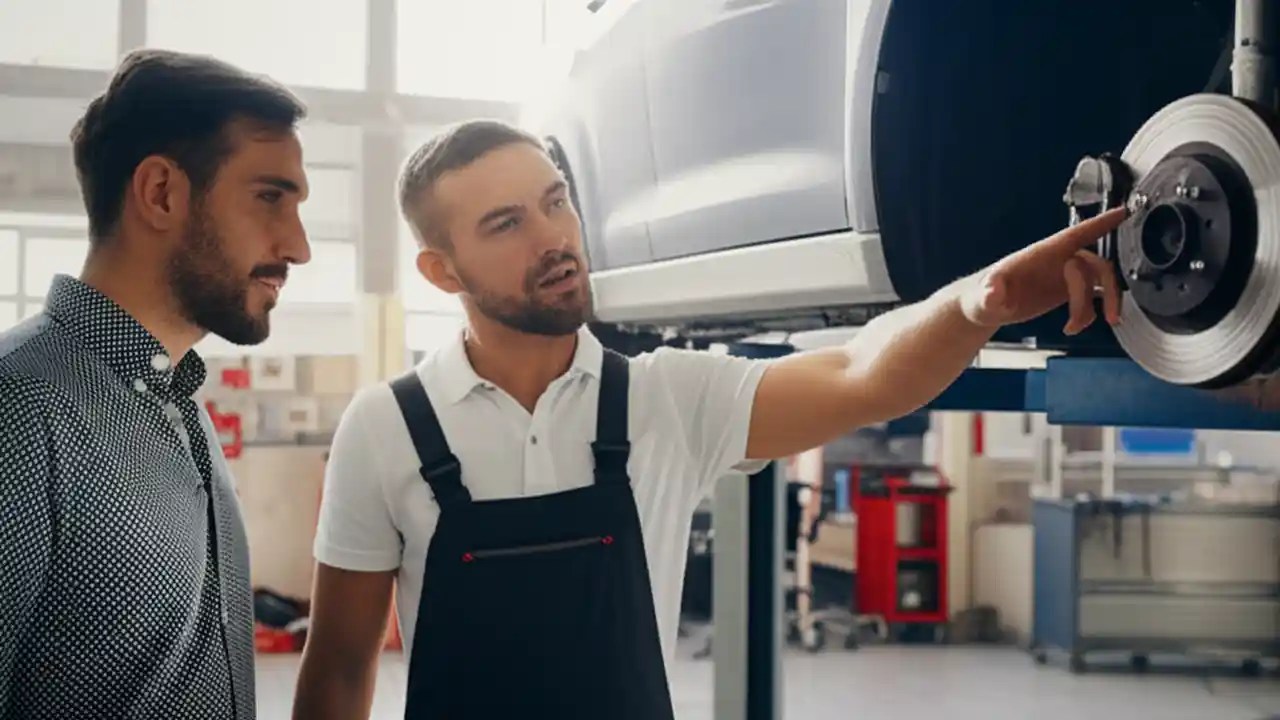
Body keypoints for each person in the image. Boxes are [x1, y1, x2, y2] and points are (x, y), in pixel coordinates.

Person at [292, 119, 1126, 719]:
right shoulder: (386, 427)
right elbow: (336, 672)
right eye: (506, 224)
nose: (552, 238)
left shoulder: (664, 398)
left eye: (555, 203)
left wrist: (984, 304)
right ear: (441, 271)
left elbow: (858, 374)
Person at [0, 49, 311, 718]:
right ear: (162, 192)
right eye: (269, 199)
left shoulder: (179, 408)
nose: (298, 245)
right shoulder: (18, 407)